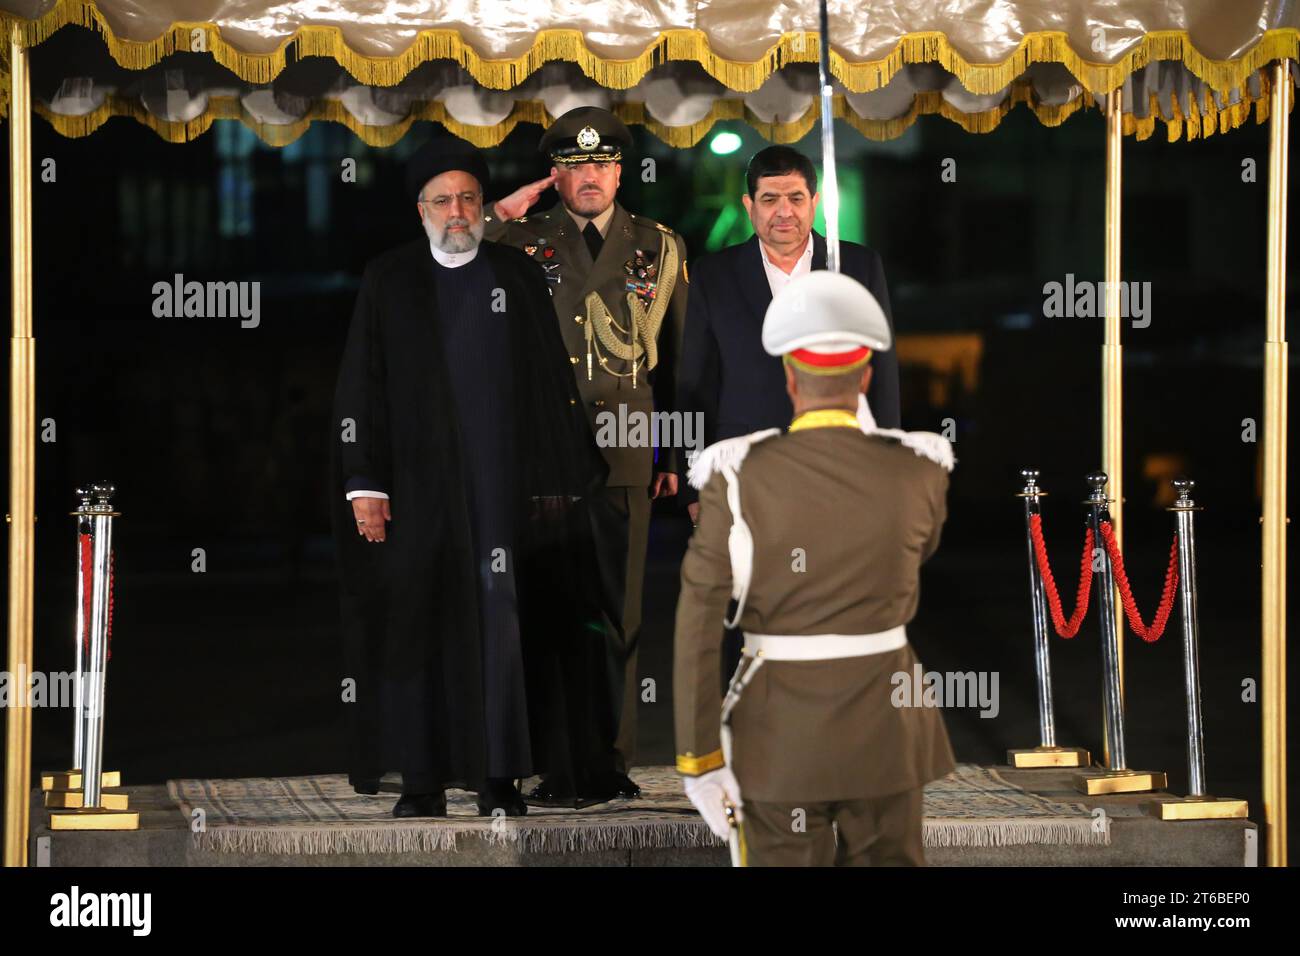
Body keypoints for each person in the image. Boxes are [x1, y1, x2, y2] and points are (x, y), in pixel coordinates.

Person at [331, 136, 604, 819]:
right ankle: (422, 780)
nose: (457, 212)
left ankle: (499, 777)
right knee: (420, 629)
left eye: (468, 199)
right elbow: (361, 387)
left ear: (483, 207)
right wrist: (366, 485)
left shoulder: (514, 275)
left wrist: (555, 483)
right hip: (418, 495)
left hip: (501, 495)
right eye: (442, 200)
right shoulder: (389, 278)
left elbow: (550, 387)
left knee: (503, 634)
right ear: (420, 209)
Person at [673, 270, 955, 866]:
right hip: (890, 730)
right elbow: (916, 553)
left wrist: (699, 760)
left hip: (779, 738)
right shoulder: (920, 468)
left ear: (789, 377)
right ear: (868, 376)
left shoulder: (736, 474)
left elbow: (699, 619)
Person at [483, 106, 689, 803]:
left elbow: (678, 364)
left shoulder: (658, 246)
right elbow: (445, 258)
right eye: (574, 167)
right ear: (556, 177)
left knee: (621, 614)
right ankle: (554, 763)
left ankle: (611, 759)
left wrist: (676, 458)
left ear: (620, 171)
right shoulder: (518, 239)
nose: (590, 177)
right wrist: (495, 212)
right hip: (544, 449)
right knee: (547, 611)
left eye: (600, 165)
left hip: (629, 450)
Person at [677, 144, 904, 688]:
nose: (785, 211)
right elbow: (693, 382)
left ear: (816, 201)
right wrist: (692, 486)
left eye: (796, 198)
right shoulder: (711, 275)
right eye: (771, 198)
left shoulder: (857, 266)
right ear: (749, 205)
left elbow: (885, 370)